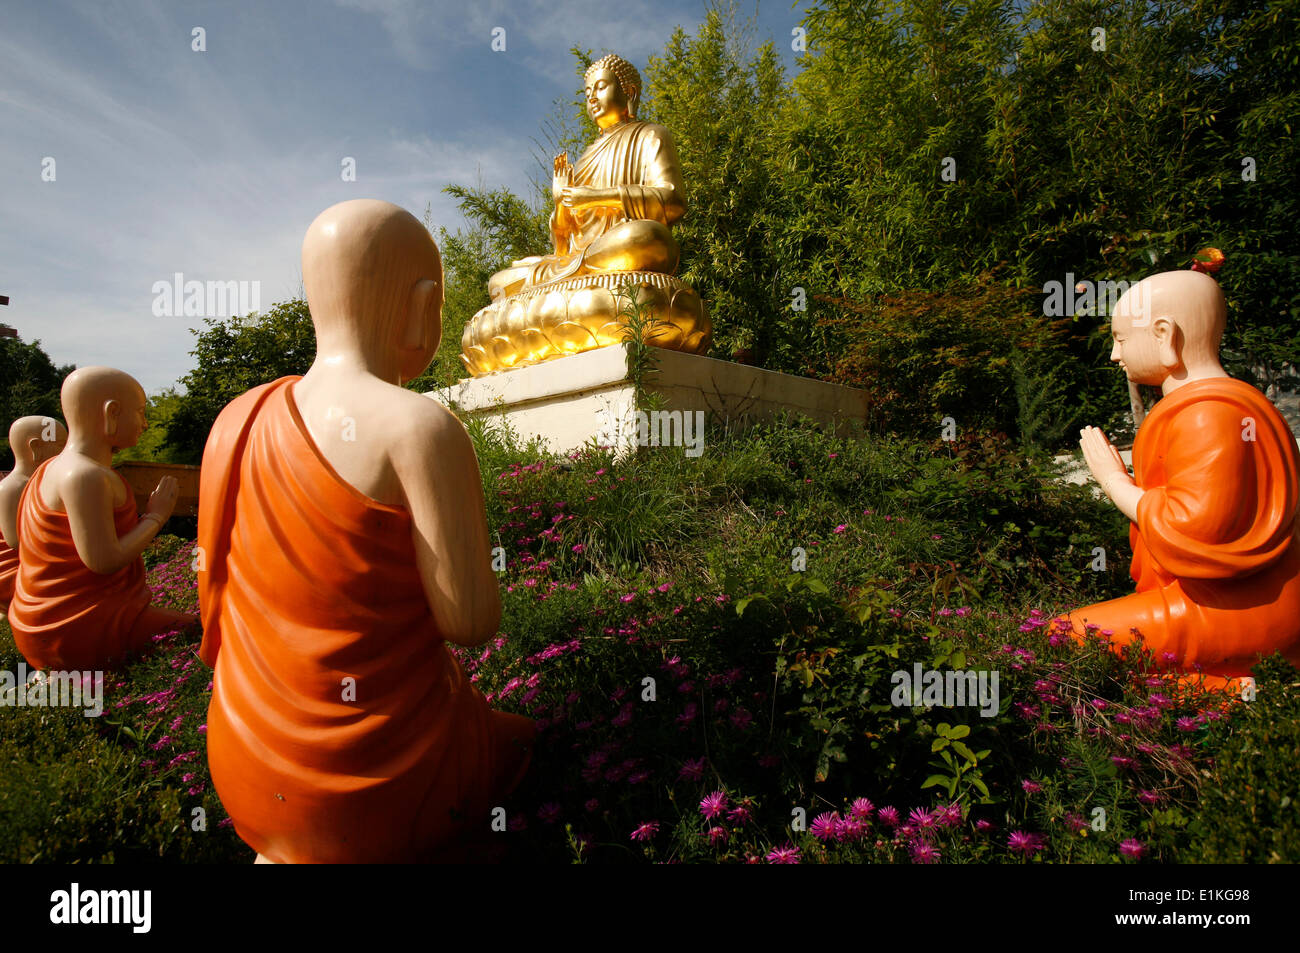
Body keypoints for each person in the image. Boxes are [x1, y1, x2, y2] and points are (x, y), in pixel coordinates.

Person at [197, 199, 534, 863]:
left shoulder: (234, 421)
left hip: (242, 768)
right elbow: (469, 620)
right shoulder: (419, 427)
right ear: (421, 305)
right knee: (522, 740)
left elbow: (211, 597)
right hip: (382, 786)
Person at [1065, 270, 1300, 685]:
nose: (1115, 356)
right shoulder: (1229, 405)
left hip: (1237, 609)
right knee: (1134, 672)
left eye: (1120, 339)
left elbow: (1191, 530)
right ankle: (1228, 689)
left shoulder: (1209, 415)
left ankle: (1233, 692)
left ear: (1164, 335)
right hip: (1238, 600)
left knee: (1060, 639)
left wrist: (1113, 481)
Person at [8, 368, 193, 670]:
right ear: (112, 413)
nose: (145, 423)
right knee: (201, 629)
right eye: (140, 412)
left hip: (38, 623)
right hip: (73, 628)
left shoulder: (49, 469)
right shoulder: (85, 476)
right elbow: (103, 560)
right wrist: (156, 516)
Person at [0, 415, 67, 607]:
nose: (65, 452)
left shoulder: (44, 483)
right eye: (61, 445)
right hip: (16, 569)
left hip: (35, 563)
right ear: (36, 447)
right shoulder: (12, 487)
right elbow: (15, 541)